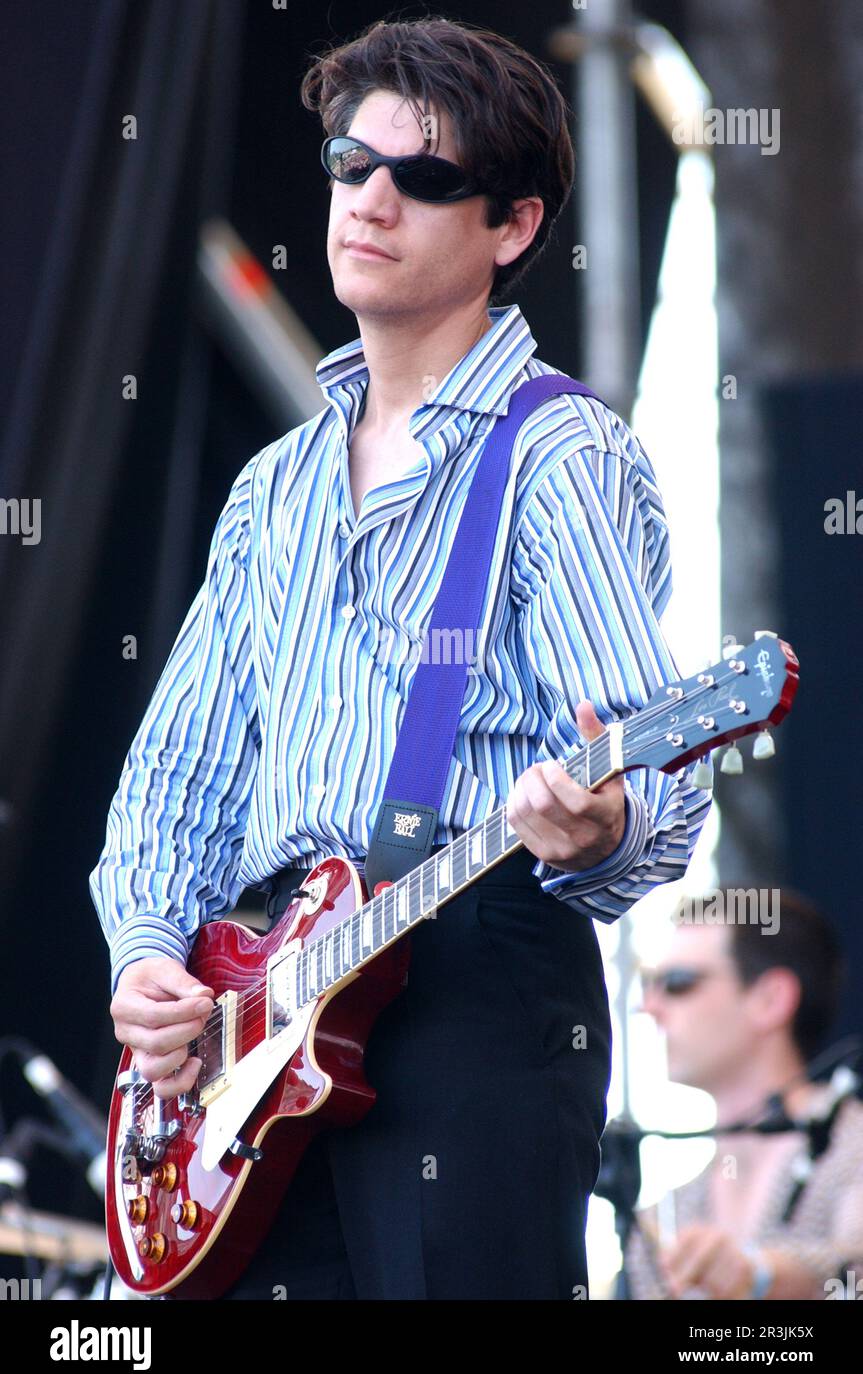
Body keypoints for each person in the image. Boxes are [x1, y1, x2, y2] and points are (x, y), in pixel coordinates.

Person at [90, 17, 711, 1300]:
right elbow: (174, 779)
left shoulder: (559, 454)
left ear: (512, 227)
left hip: (471, 985)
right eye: (346, 163)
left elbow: (653, 770)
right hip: (256, 1015)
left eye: (420, 178)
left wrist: (597, 824)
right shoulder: (275, 486)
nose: (369, 199)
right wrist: (152, 956)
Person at [626, 888, 863, 1300]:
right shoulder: (667, 1212)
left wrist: (757, 1274)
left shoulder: (853, 1150)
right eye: (648, 983)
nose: (649, 1006)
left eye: (678, 983)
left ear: (771, 999)